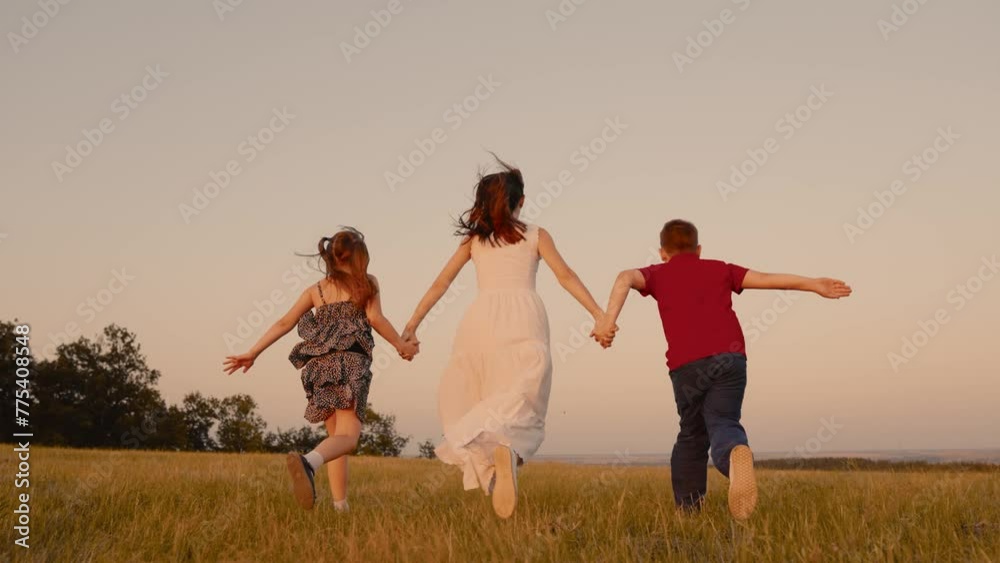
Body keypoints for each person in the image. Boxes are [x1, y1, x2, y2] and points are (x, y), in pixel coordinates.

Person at [592, 219, 852, 520]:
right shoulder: (720, 268)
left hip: (687, 366)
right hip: (730, 360)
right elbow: (767, 278)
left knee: (691, 435)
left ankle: (689, 511)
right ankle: (733, 453)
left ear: (662, 252)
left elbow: (624, 277)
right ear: (699, 249)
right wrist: (814, 284)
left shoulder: (658, 273)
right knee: (723, 421)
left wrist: (608, 320)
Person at [403, 157, 611, 519]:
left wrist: (411, 326)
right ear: (521, 201)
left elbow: (441, 283)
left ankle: (498, 475)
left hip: (481, 320)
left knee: (481, 394)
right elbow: (566, 275)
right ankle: (510, 455)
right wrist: (597, 314)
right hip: (524, 316)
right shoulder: (536, 235)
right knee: (524, 397)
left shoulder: (474, 242)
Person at [224, 228, 418, 511]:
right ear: (359, 258)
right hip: (350, 363)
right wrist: (402, 345)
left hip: (320, 367)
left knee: (336, 440)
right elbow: (375, 318)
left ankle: (341, 509)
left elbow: (284, 323)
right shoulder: (367, 282)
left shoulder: (315, 290)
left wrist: (253, 352)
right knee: (348, 438)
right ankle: (308, 462)